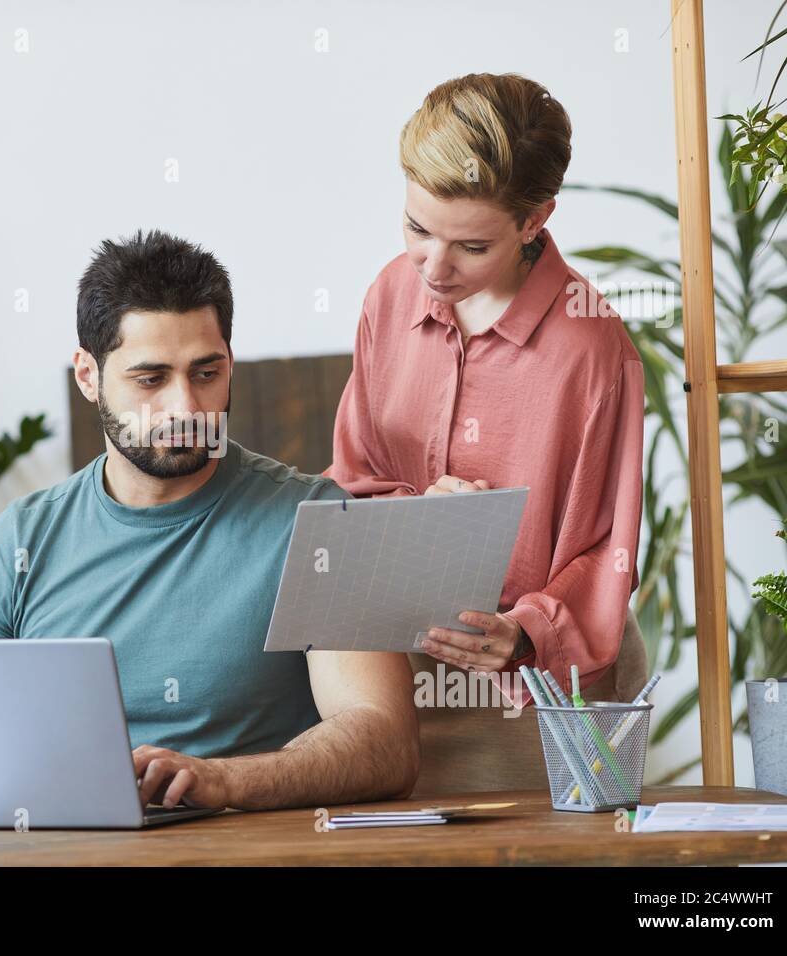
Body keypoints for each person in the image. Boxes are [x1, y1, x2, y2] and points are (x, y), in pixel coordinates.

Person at [0, 229, 418, 810]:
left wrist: (223, 782)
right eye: (150, 379)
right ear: (88, 375)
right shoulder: (15, 547)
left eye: (205, 373)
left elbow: (384, 740)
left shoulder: (318, 523)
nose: (186, 408)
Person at [327, 73, 647, 793]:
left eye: (470, 247)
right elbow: (351, 481)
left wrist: (525, 632)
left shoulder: (592, 350)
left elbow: (608, 546)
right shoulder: (388, 294)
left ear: (536, 219)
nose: (432, 269)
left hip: (543, 696)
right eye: (416, 229)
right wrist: (417, 519)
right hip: (397, 678)